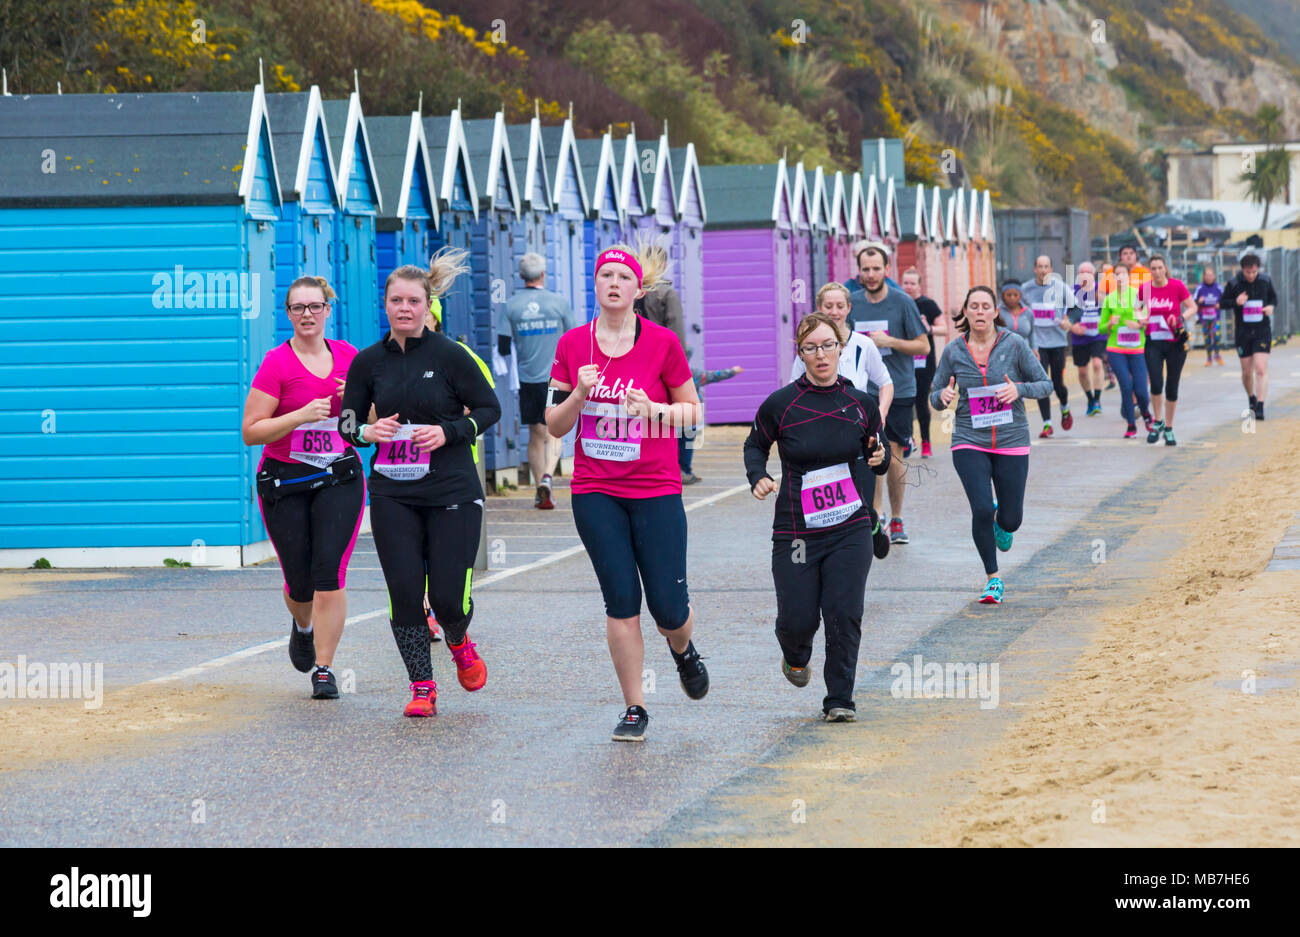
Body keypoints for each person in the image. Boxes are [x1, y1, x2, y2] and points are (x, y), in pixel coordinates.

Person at [546, 243, 709, 742]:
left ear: (638, 290)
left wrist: (654, 411)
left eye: (623, 277)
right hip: (596, 490)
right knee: (621, 600)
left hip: (655, 487)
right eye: (605, 276)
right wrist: (578, 393)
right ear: (595, 287)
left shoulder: (661, 343)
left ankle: (683, 650)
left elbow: (694, 412)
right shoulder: (573, 345)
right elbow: (553, 425)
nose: (613, 283)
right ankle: (635, 707)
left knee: (668, 608)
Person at [340, 248, 501, 718]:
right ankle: (422, 686)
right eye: (396, 301)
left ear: (427, 305)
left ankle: (457, 638)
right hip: (393, 492)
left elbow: (490, 409)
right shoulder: (368, 362)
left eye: (413, 301)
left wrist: (449, 431)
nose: (404, 309)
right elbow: (348, 420)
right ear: (385, 305)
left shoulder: (451, 356)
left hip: (452, 490)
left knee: (448, 598)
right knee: (406, 592)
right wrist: (366, 432)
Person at [745, 311, 891, 721]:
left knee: (844, 613)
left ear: (841, 348)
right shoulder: (782, 404)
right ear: (801, 353)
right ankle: (795, 655)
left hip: (850, 526)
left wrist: (880, 459)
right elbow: (755, 445)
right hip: (796, 532)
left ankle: (840, 699)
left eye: (828, 346)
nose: (821, 355)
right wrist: (758, 476)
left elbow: (878, 455)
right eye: (811, 348)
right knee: (797, 619)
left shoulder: (861, 404)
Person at [242, 276, 365, 700]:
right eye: (298, 308)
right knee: (300, 582)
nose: (307, 315)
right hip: (286, 480)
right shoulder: (277, 363)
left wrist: (360, 401)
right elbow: (251, 431)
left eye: (315, 307)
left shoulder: (350, 357)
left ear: (328, 310)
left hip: (338, 477)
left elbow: (377, 418)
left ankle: (326, 669)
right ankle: (303, 625)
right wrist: (298, 416)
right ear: (289, 314)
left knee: (329, 574)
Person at [931, 286, 1051, 605]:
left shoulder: (1014, 344)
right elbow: (935, 393)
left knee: (1011, 520)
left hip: (1011, 438)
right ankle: (992, 578)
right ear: (966, 312)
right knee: (981, 508)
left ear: (995, 312)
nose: (981, 312)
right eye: (975, 306)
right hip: (969, 438)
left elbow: (1045, 384)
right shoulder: (954, 351)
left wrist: (1019, 390)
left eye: (986, 306)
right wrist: (941, 398)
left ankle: (1002, 520)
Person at [849, 245, 928, 545]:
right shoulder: (852, 304)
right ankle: (875, 515)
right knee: (868, 455)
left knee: (892, 454)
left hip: (898, 388)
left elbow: (923, 346)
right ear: (859, 272)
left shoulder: (902, 302)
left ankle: (896, 518)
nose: (871, 275)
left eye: (876, 269)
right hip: (860, 391)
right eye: (865, 270)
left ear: (886, 269)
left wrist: (891, 341)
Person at [498, 253, 578, 509]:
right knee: (554, 431)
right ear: (543, 274)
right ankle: (547, 478)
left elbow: (502, 346)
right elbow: (574, 339)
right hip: (558, 378)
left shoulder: (511, 306)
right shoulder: (559, 303)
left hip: (528, 379)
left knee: (535, 433)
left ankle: (538, 488)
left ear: (521, 276)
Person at [634, 248, 696, 483]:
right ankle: (681, 468)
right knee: (682, 415)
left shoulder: (636, 294)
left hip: (638, 362)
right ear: (663, 265)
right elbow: (676, 332)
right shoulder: (666, 293)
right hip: (663, 364)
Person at [1142, 254, 1195, 446]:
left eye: (1159, 268)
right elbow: (1138, 314)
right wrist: (1141, 320)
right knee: (1156, 382)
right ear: (1150, 270)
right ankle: (1158, 421)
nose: (1157, 272)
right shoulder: (1144, 289)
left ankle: (1170, 428)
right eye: (1153, 268)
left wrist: (1181, 318)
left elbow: (1192, 306)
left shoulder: (1176, 286)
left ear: (1165, 268)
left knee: (1172, 386)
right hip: (1154, 341)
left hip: (1175, 343)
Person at [1098, 263, 1154, 439]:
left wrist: (1137, 325)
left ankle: (1145, 414)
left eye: (1123, 274)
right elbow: (1100, 328)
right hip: (1116, 349)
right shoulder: (1109, 299)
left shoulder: (1137, 296)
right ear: (1113, 278)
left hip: (1137, 348)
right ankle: (1131, 425)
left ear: (1129, 277)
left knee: (1142, 391)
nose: (1120, 277)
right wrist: (1109, 324)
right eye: (1117, 275)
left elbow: (1147, 322)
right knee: (1126, 386)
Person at [1219, 252, 1278, 420]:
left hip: (1262, 331)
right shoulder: (1234, 283)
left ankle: (1260, 405)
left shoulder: (1265, 281)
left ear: (1258, 269)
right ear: (1242, 270)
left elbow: (1274, 298)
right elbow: (1222, 303)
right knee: (1247, 371)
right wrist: (1235, 301)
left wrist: (1271, 307)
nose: (1251, 275)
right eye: (1248, 272)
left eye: (1254, 272)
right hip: (1243, 332)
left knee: (1260, 368)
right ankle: (1251, 397)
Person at [1020, 255, 1073, 438]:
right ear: (1035, 268)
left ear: (1051, 269)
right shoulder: (1025, 289)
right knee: (1041, 383)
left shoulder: (1060, 287)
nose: (1043, 270)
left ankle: (1065, 408)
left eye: (1046, 266)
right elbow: (1017, 310)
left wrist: (1069, 321)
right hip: (1037, 344)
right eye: (1040, 266)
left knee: (1058, 383)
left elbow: (1076, 307)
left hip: (1057, 342)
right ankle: (1047, 424)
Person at [900, 267, 945, 459]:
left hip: (924, 362)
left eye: (912, 283)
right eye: (906, 283)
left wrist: (929, 328)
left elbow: (943, 329)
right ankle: (907, 439)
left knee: (920, 402)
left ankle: (926, 442)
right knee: (905, 401)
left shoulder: (928, 304)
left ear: (919, 285)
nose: (908, 287)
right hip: (903, 361)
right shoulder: (899, 303)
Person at [1067, 261, 1108, 416]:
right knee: (1083, 371)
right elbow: (1065, 316)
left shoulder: (1101, 290)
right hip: (1080, 337)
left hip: (1097, 335)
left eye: (1088, 273)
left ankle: (1097, 400)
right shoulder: (1071, 292)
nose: (1085, 275)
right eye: (1081, 272)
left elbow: (1109, 309)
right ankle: (1090, 399)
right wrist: (1073, 327)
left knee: (1098, 364)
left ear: (1093, 275)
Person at [1194, 266, 1224, 366]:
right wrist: (1199, 301)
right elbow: (1193, 303)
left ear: (1214, 276)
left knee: (1216, 335)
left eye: (1211, 275)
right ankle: (1209, 357)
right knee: (1207, 338)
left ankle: (1217, 354)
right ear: (1203, 276)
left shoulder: (1218, 287)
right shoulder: (1200, 288)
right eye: (1207, 275)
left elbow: (1225, 300)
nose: (1209, 277)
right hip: (1204, 318)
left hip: (1215, 317)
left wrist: (1220, 304)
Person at [998, 281, 1035, 349]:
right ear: (1003, 296)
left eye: (1015, 295)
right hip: (1003, 351)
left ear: (1020, 295)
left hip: (1025, 352)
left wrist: (1034, 349)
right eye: (1009, 295)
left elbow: (1032, 333)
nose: (1012, 298)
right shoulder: (997, 312)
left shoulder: (1028, 312)